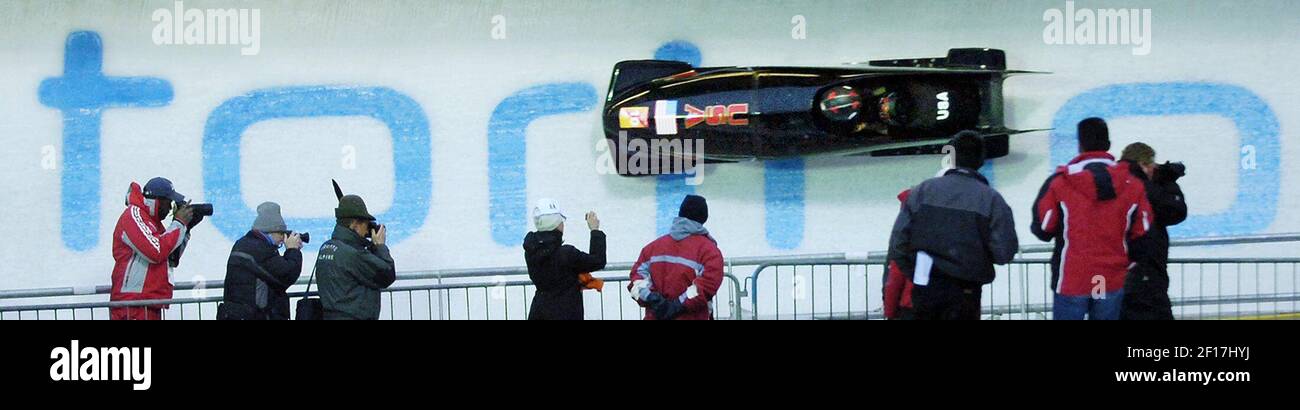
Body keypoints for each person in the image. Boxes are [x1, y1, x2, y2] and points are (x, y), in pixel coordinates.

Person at [887, 131, 1019, 320]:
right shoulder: (991, 200)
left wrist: (917, 275)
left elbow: (898, 243)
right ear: (981, 159)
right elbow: (1004, 251)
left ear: (952, 157)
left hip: (925, 289)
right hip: (966, 292)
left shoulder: (922, 191)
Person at [1031, 118, 1152, 320]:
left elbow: (1043, 228)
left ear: (1080, 145)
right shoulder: (1133, 185)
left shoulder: (1060, 182)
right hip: (1108, 278)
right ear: (1109, 144)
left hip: (1072, 278)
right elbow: (1142, 232)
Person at [109, 177, 201, 320]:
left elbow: (170, 259)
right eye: (168, 202)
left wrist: (186, 229)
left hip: (148, 304)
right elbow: (156, 252)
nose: (170, 208)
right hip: (132, 305)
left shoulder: (153, 222)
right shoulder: (133, 216)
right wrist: (178, 223)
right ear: (157, 200)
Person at [1118, 143, 1188, 320]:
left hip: (1111, 276)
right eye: (1151, 166)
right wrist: (1168, 179)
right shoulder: (1142, 188)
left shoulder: (1113, 180)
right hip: (1146, 274)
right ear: (1142, 164)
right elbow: (1176, 210)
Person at [628, 195, 724, 320]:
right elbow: (705, 287)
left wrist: (651, 298)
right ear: (703, 218)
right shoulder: (710, 252)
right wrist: (677, 304)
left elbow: (637, 280)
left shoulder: (652, 248)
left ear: (680, 214)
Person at [218, 202, 304, 320]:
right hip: (254, 315)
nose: (282, 238)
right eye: (281, 233)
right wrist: (293, 250)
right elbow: (286, 275)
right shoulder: (259, 249)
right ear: (270, 230)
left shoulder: (246, 244)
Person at [523, 199, 606, 320]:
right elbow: (598, 260)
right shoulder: (567, 254)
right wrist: (595, 230)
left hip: (539, 311)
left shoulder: (531, 251)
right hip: (567, 312)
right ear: (556, 224)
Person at [316, 195, 396, 320]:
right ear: (355, 224)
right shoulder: (353, 254)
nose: (367, 231)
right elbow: (387, 274)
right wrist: (380, 246)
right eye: (366, 224)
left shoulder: (326, 247)